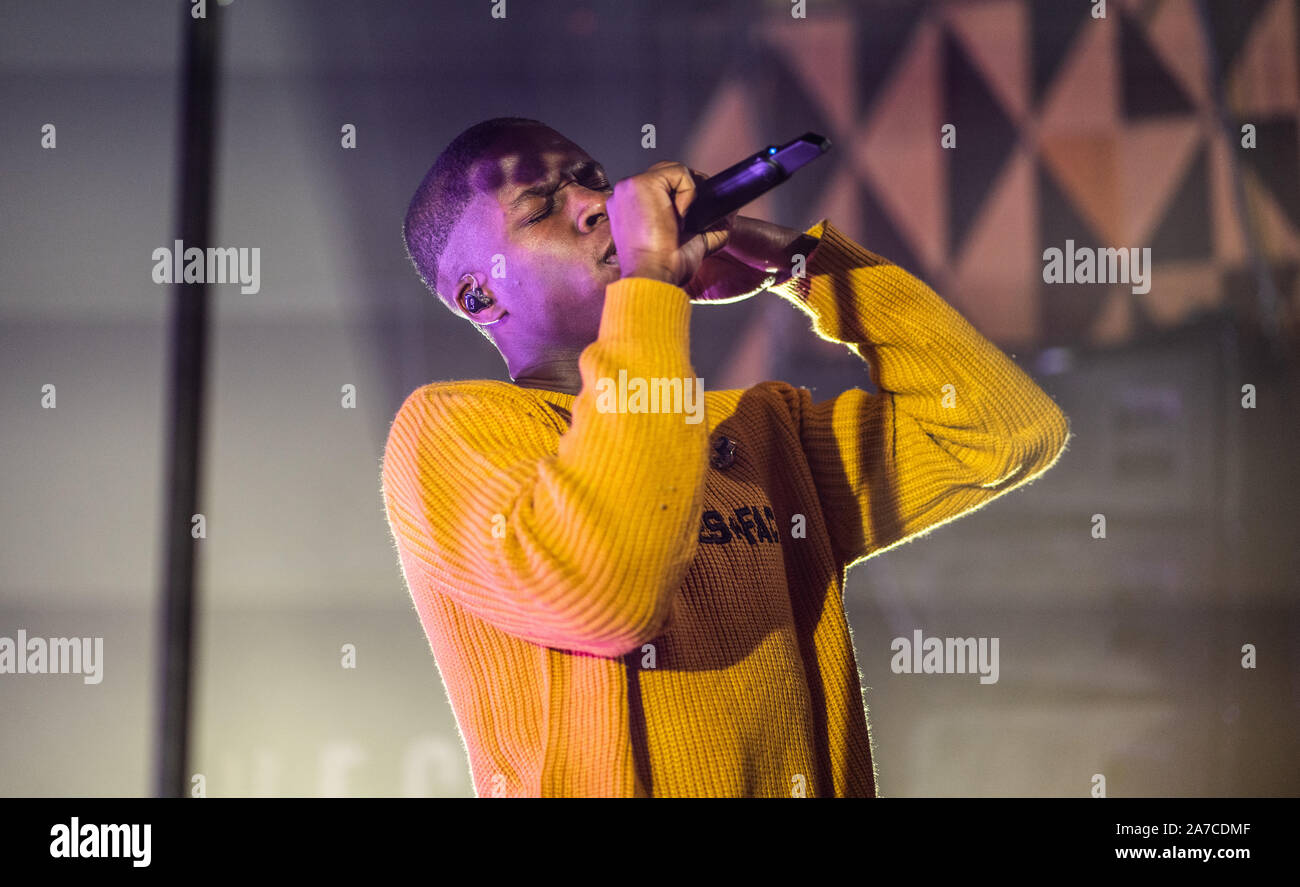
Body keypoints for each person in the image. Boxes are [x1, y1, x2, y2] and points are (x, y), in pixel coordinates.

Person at [381, 116, 1071, 797]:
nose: (598, 205)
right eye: (542, 208)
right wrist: (647, 282)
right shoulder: (452, 431)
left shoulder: (760, 432)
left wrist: (804, 267)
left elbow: (1000, 429)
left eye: (592, 180)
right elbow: (611, 592)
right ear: (480, 294)